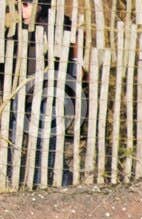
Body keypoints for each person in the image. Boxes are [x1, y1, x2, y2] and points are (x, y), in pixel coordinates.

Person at [3, 0, 82, 187]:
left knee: (46, 143)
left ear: (40, 4)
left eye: (26, 4)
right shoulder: (12, 27)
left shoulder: (58, 25)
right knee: (13, 138)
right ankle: (16, 182)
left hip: (48, 94)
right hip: (18, 92)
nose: (22, 10)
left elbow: (74, 62)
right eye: (20, 5)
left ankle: (54, 183)